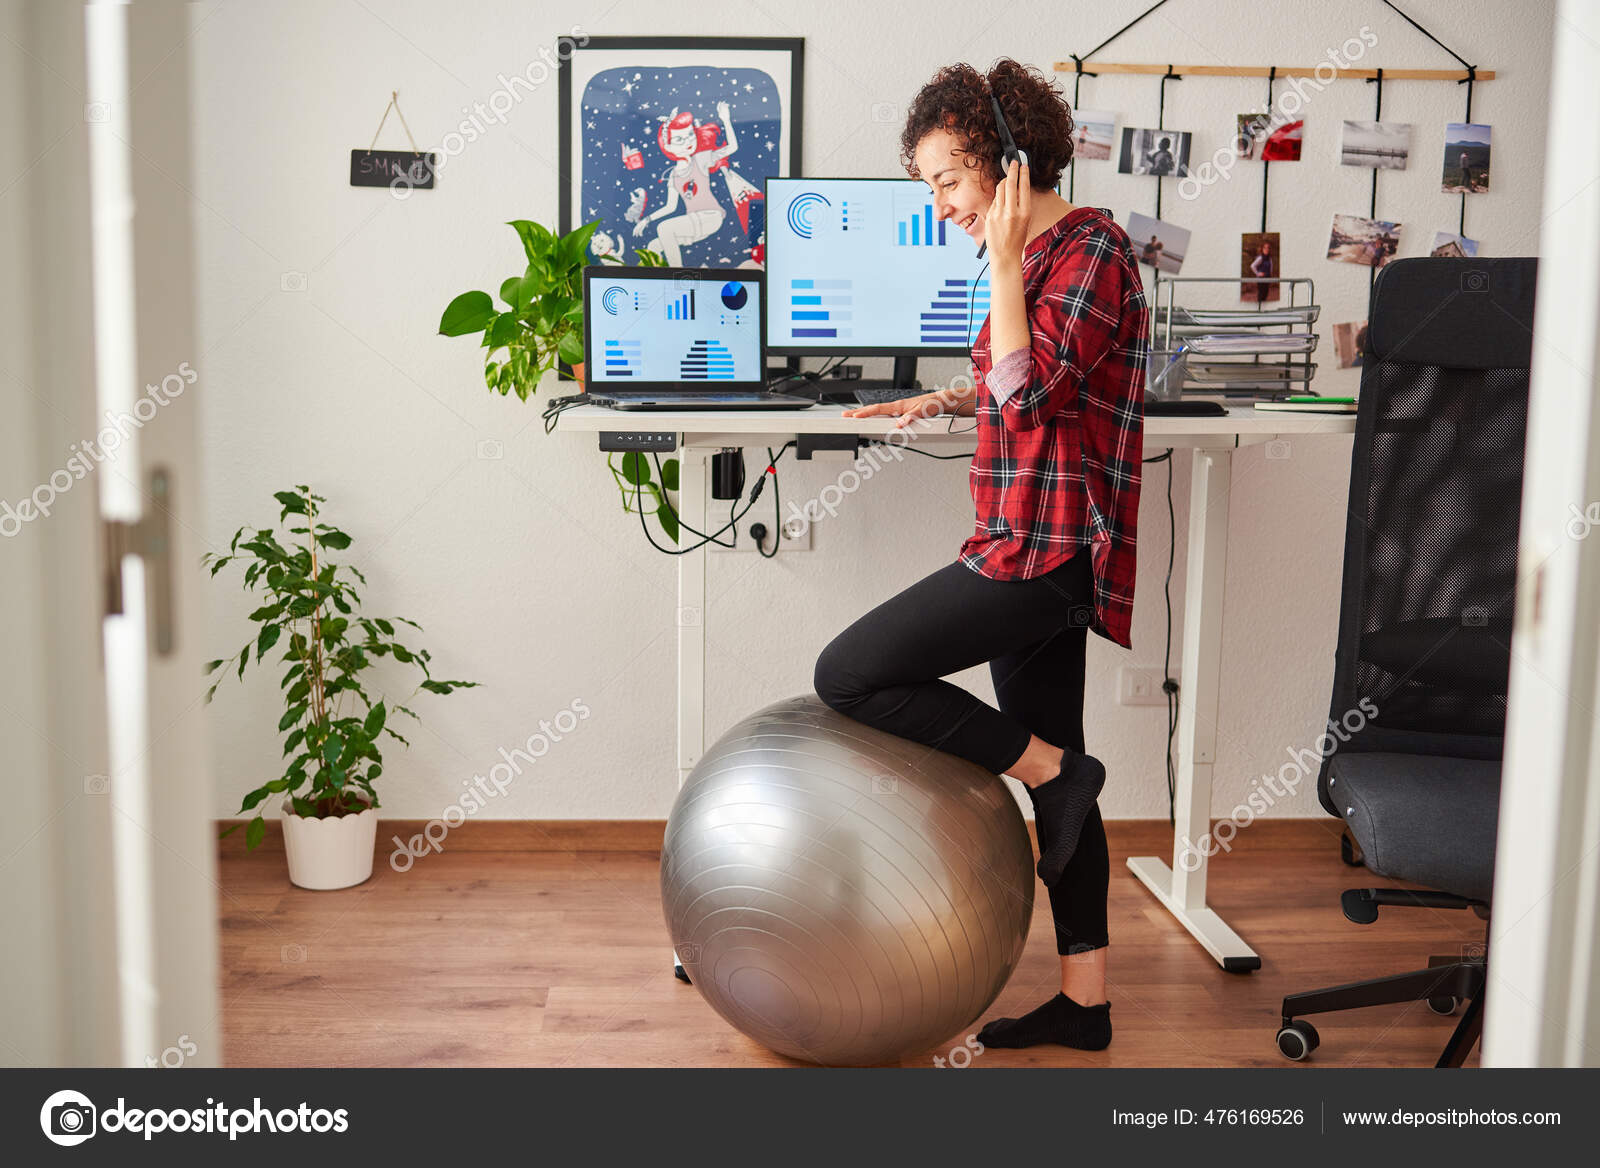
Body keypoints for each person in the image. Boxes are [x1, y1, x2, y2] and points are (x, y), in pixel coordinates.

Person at [811, 58, 1149, 1052]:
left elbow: (1037, 396)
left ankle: (1055, 767)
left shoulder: (1087, 250)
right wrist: (944, 398)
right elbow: (1018, 383)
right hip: (1016, 537)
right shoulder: (1036, 256)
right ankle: (1086, 1002)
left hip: (1045, 556)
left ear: (1006, 165)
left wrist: (1000, 265)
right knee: (1057, 783)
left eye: (947, 180)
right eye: (929, 187)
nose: (940, 205)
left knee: (849, 672)